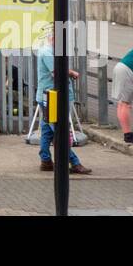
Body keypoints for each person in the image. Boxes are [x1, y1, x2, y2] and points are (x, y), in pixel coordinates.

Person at [35, 29, 90, 175]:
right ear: (54, 39)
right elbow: (56, 72)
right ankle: (74, 162)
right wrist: (71, 73)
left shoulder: (49, 52)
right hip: (52, 97)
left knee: (47, 129)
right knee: (60, 130)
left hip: (48, 96)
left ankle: (45, 160)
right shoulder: (47, 52)